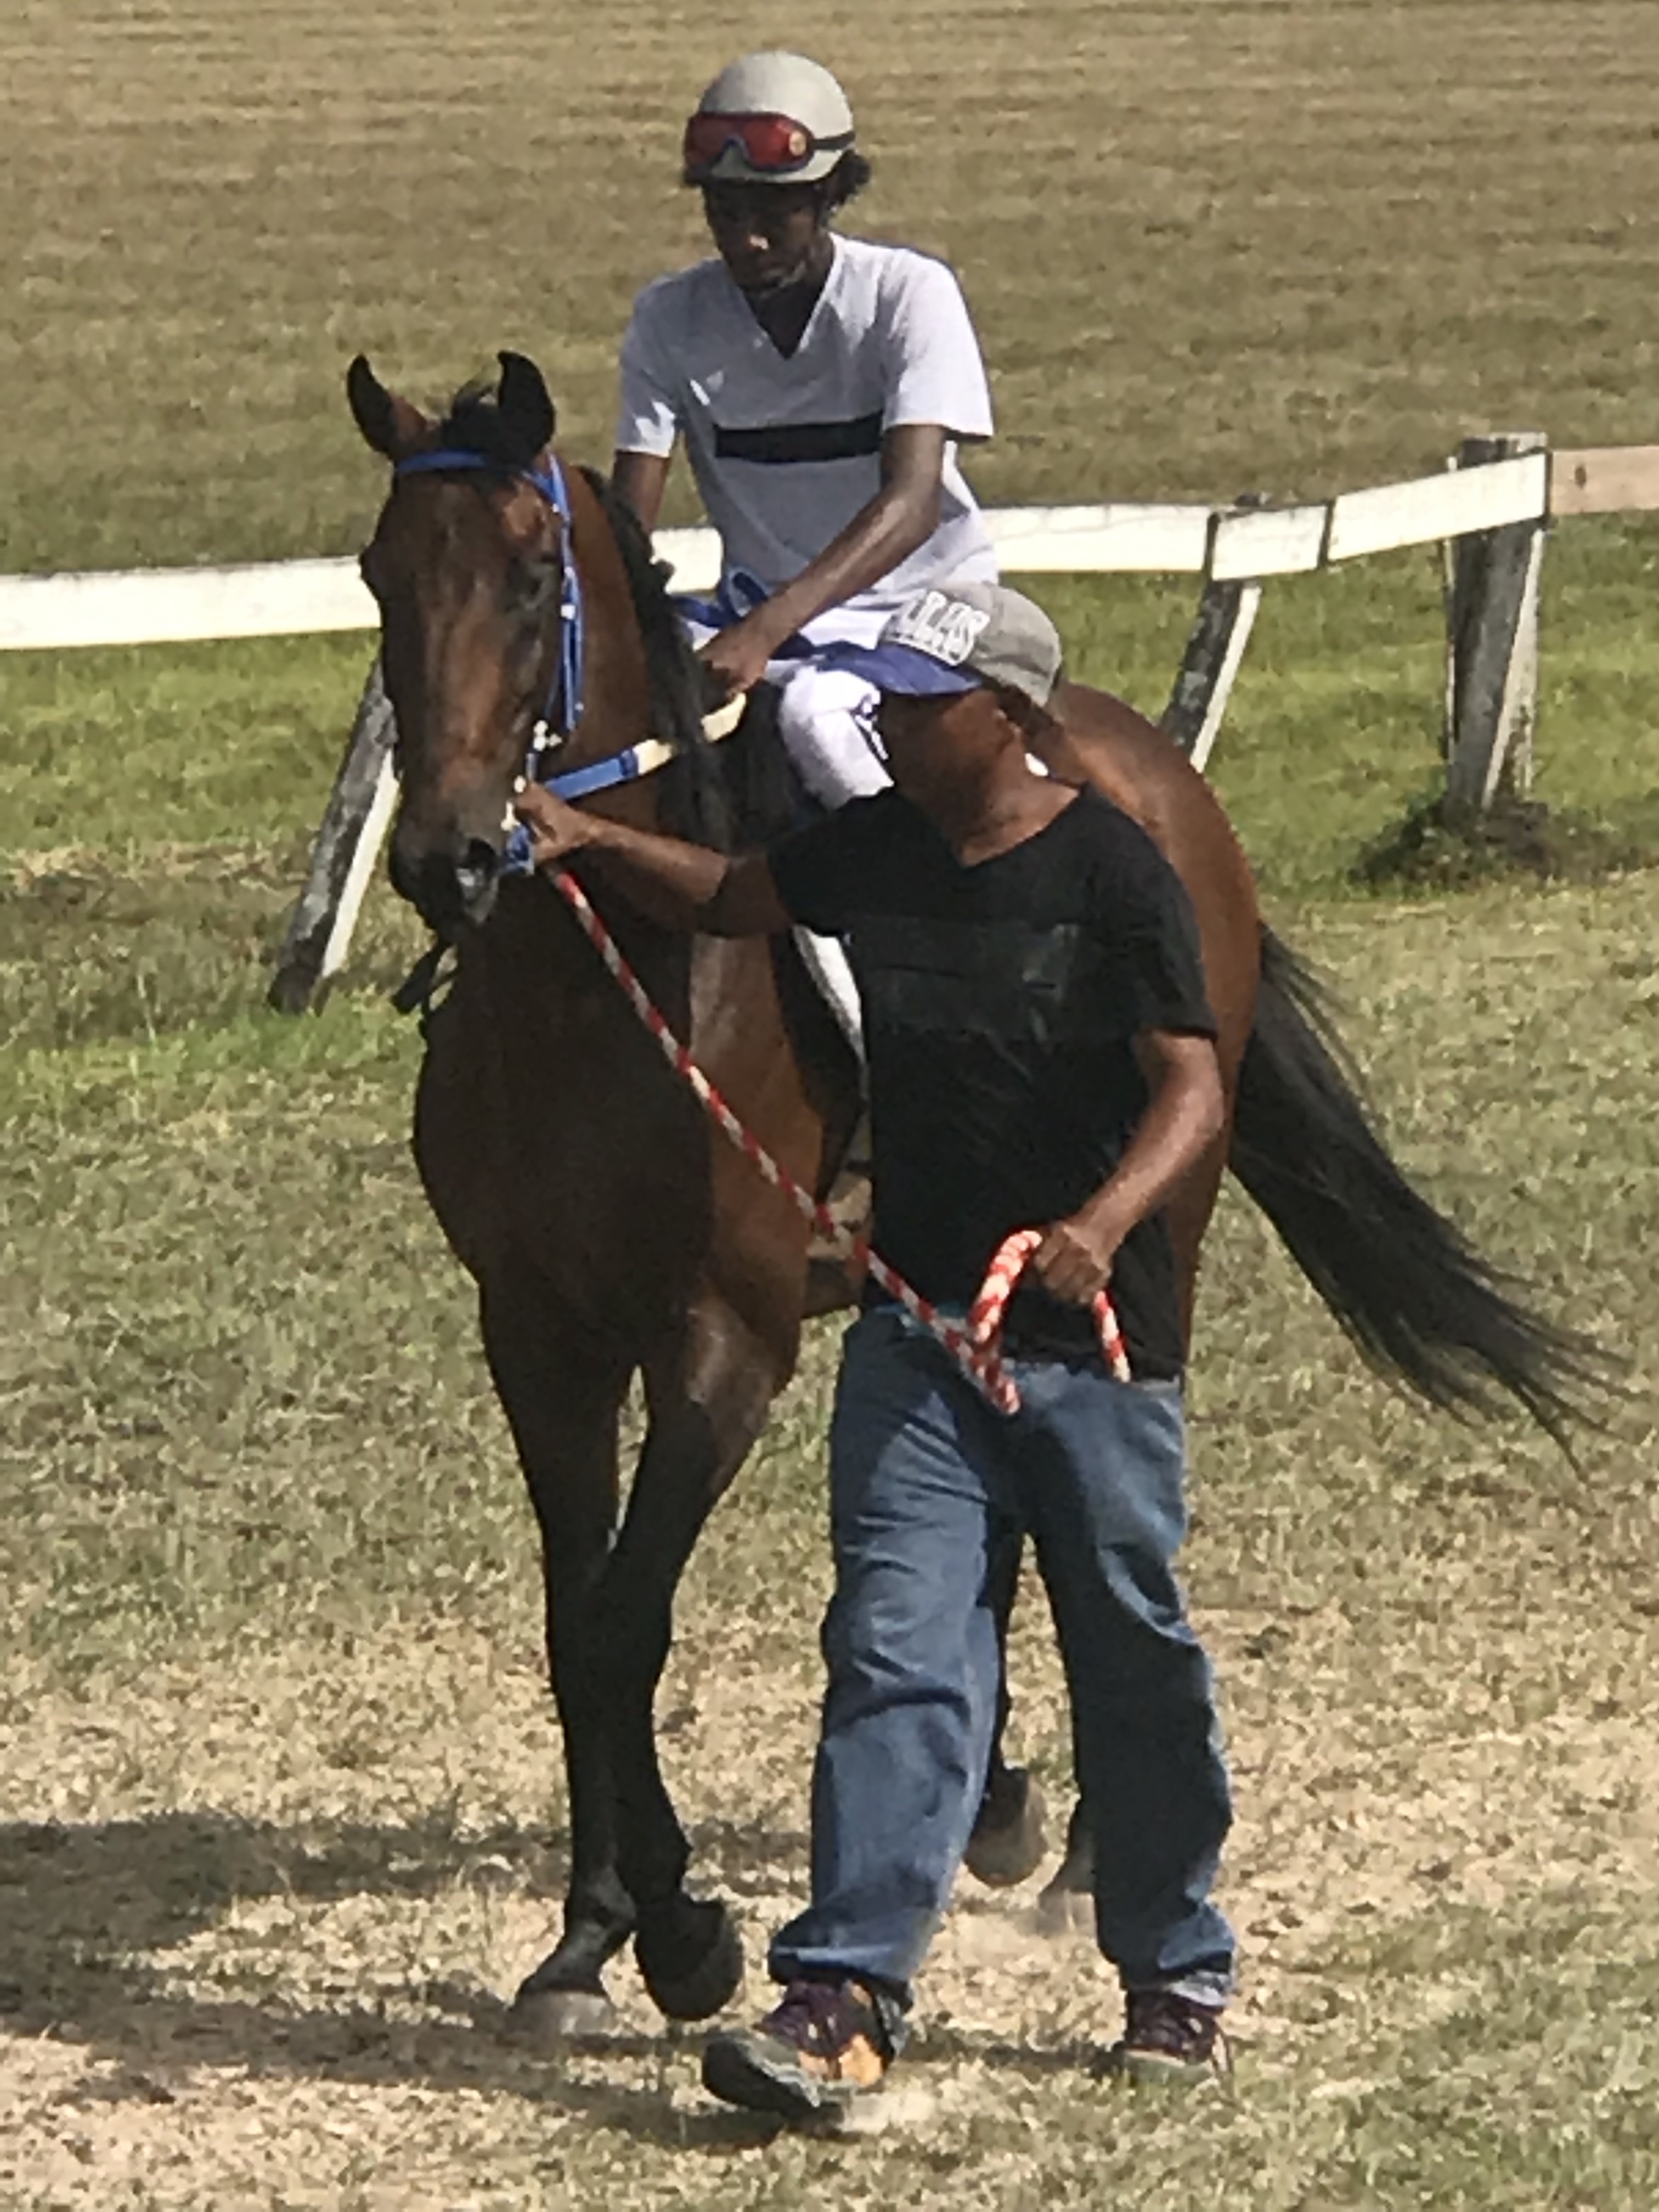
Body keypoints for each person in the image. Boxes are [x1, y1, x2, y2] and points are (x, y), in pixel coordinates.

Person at [514, 582, 1238, 2118]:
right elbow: (732, 897)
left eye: (919, 703)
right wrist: (592, 841)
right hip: (922, 1337)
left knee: (1130, 1653)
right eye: (887, 699)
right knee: (895, 1649)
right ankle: (842, 1994)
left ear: (1006, 717)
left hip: (1090, 1352)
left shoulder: (1112, 872)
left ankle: (1175, 1973)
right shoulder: (884, 847)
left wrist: (1101, 1224)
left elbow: (1193, 1084)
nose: (889, 724)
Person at [611, 50, 998, 820]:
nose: (746, 240)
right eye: (725, 212)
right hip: (758, 620)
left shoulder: (908, 295)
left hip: (925, 613)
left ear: (829, 196)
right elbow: (628, 522)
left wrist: (765, 631)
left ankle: (914, 883)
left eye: (773, 213)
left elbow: (913, 503)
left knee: (817, 720)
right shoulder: (667, 317)